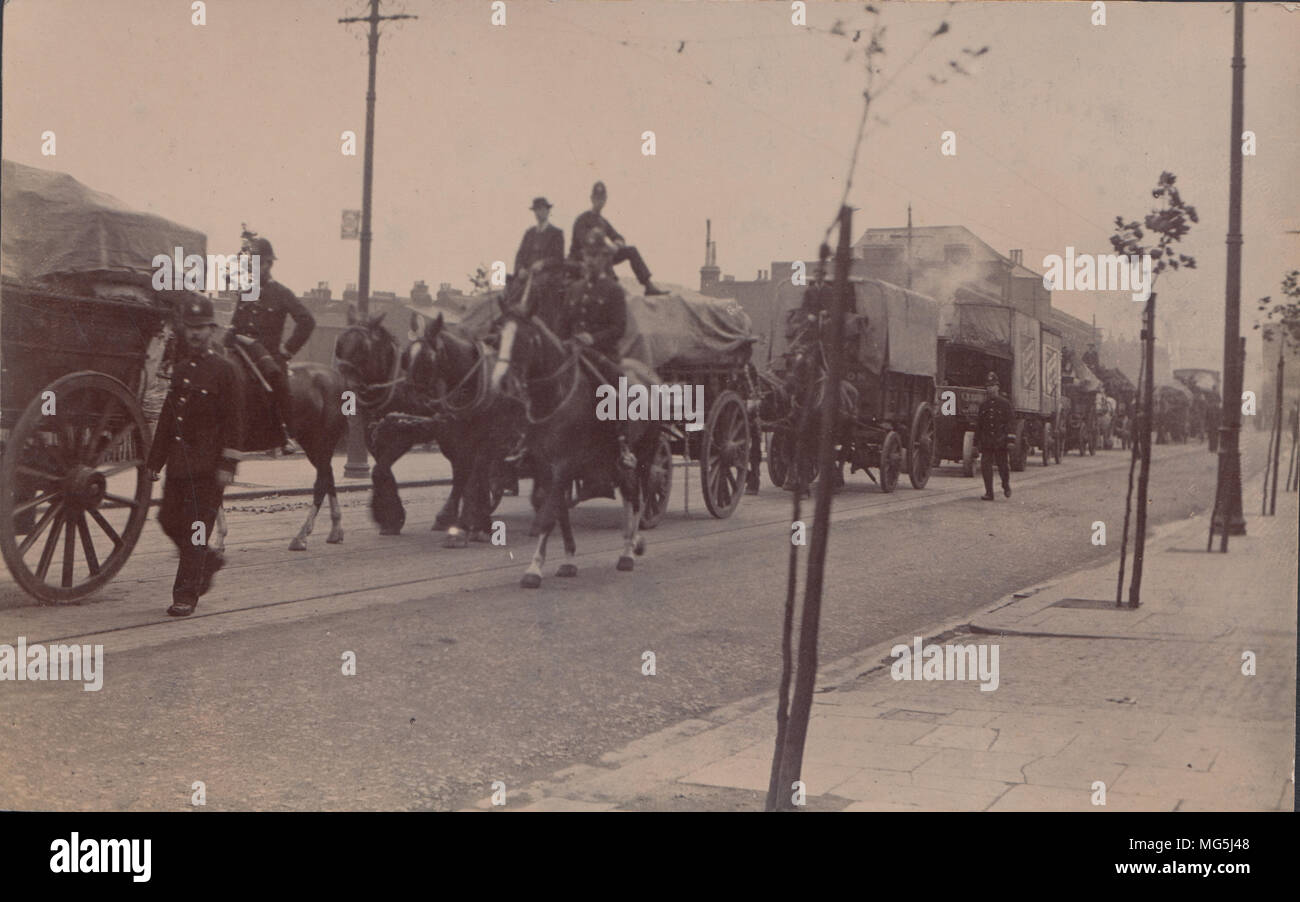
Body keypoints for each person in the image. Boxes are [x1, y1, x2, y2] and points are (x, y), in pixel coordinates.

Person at [147, 295, 244, 616]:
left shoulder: (225, 371)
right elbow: (167, 419)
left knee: (195, 530)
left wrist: (228, 464)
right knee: (167, 519)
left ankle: (185, 595)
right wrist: (154, 462)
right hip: (178, 464)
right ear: (183, 330)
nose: (196, 334)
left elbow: (234, 422)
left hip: (208, 468)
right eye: (190, 328)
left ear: (213, 330)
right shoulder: (181, 370)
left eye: (202, 328)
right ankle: (209, 560)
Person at [225, 236, 314, 451]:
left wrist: (287, 349)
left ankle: (287, 433)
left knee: (278, 383)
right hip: (241, 349)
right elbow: (237, 320)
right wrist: (230, 333)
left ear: (268, 264)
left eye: (257, 262)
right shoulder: (247, 290)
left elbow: (307, 321)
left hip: (268, 354)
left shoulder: (282, 293)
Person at [561, 228, 637, 470]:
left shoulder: (613, 291)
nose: (590, 260)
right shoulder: (574, 290)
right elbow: (562, 325)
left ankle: (623, 444)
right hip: (573, 354)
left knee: (618, 385)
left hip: (603, 355)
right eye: (587, 255)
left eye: (596, 255)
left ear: (605, 259)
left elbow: (619, 328)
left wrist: (592, 339)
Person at [569, 181, 668, 296]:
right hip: (582, 257)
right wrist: (608, 248)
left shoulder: (602, 221)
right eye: (596, 198)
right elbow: (585, 243)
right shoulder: (582, 219)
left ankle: (648, 285)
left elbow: (618, 236)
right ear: (591, 198)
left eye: (602, 198)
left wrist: (617, 244)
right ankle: (613, 284)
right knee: (604, 256)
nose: (599, 201)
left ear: (605, 199)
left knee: (631, 251)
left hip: (602, 255)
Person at [975, 372, 1013, 500]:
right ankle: (989, 492)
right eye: (988, 386)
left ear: (998, 387)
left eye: (992, 386)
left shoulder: (1005, 404)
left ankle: (1005, 485)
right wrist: (976, 443)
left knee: (1003, 466)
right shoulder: (983, 405)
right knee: (985, 466)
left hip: (1000, 440)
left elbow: (1010, 423)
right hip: (987, 441)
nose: (990, 389)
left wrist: (1010, 440)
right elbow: (979, 425)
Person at [514, 197, 565, 277]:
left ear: (548, 211)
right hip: (527, 275)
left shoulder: (556, 233)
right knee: (511, 285)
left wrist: (543, 263)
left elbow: (558, 258)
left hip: (547, 275)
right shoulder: (529, 233)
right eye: (536, 210)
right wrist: (520, 269)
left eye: (541, 209)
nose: (538, 213)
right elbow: (520, 255)